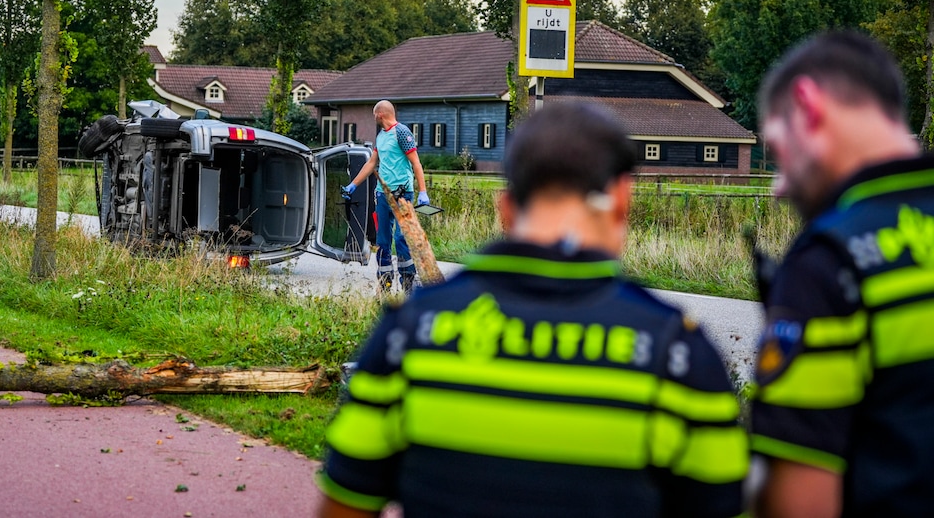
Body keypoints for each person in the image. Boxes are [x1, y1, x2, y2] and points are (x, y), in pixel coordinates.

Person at [318, 103, 747, 518]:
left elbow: (345, 502)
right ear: (621, 200)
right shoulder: (680, 356)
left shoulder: (405, 336)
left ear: (507, 207)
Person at [750, 31, 934, 517]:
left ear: (808, 106)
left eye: (776, 150)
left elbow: (801, 505)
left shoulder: (830, 263)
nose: (778, 186)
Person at [343, 100, 429, 293]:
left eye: (374, 114)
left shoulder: (402, 133)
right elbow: (371, 164)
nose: (374, 118)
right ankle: (384, 283)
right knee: (382, 241)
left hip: (402, 195)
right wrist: (353, 185)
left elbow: (416, 163)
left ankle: (408, 282)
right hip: (382, 195)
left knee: (401, 238)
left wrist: (422, 191)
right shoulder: (380, 136)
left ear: (380, 114)